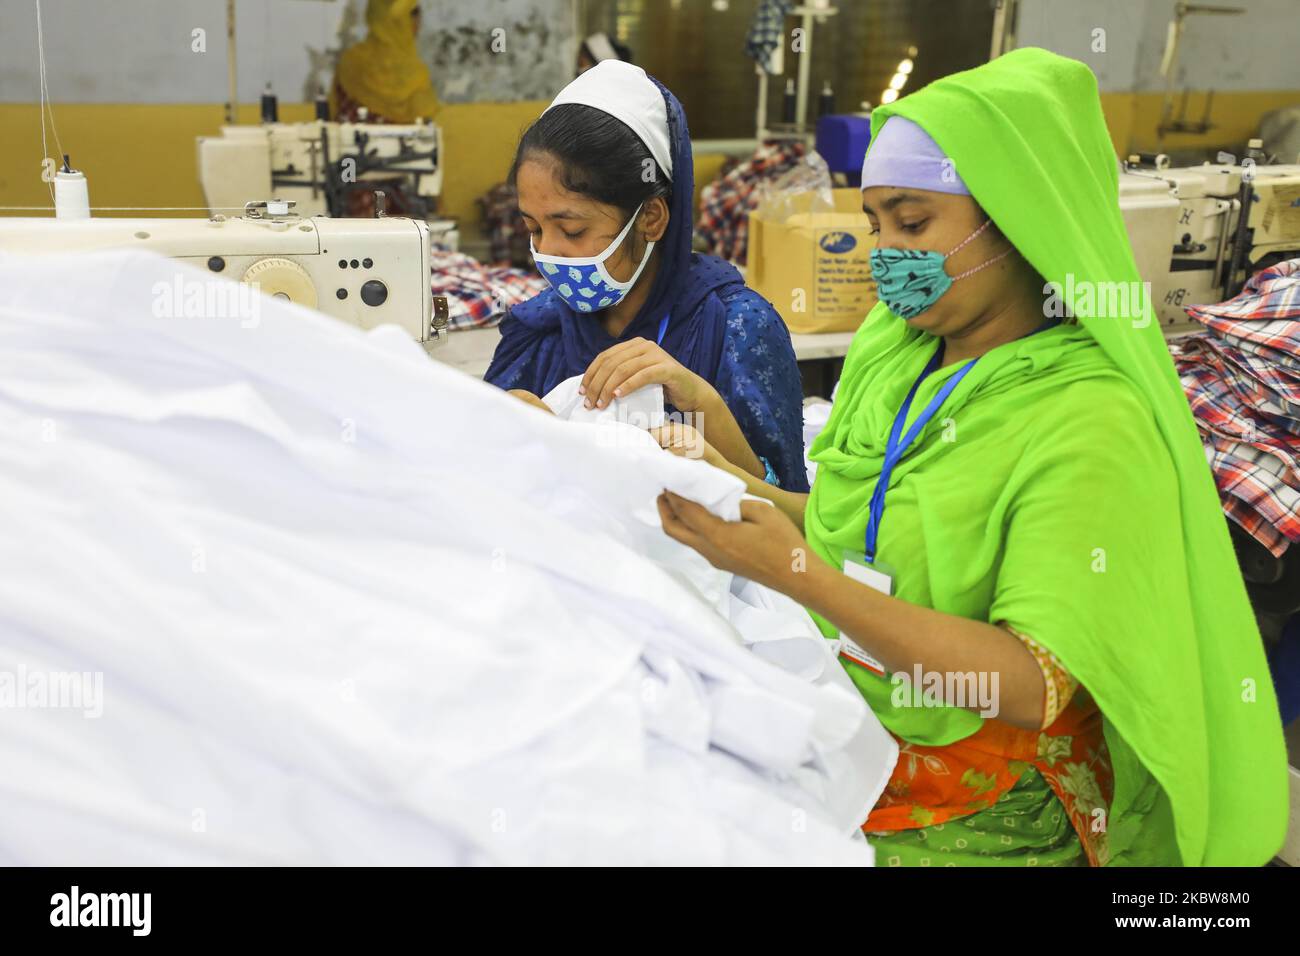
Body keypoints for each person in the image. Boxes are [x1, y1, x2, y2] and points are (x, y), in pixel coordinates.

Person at [652, 48, 1289, 865]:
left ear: (1016, 214)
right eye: (875, 223)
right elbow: (857, 536)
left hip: (987, 799)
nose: (884, 253)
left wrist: (797, 576)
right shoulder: (901, 355)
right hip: (848, 722)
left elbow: (1027, 686)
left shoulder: (1088, 419)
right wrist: (719, 484)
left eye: (912, 224)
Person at [484, 61, 808, 492]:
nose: (547, 251)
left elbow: (795, 518)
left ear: (651, 218)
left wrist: (703, 403)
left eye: (573, 230)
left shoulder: (736, 328)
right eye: (533, 228)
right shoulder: (537, 331)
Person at [332, 0, 439, 124]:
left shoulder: (350, 62)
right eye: (413, 20)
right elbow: (424, 127)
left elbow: (334, 113)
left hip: (352, 142)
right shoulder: (416, 76)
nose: (417, 28)